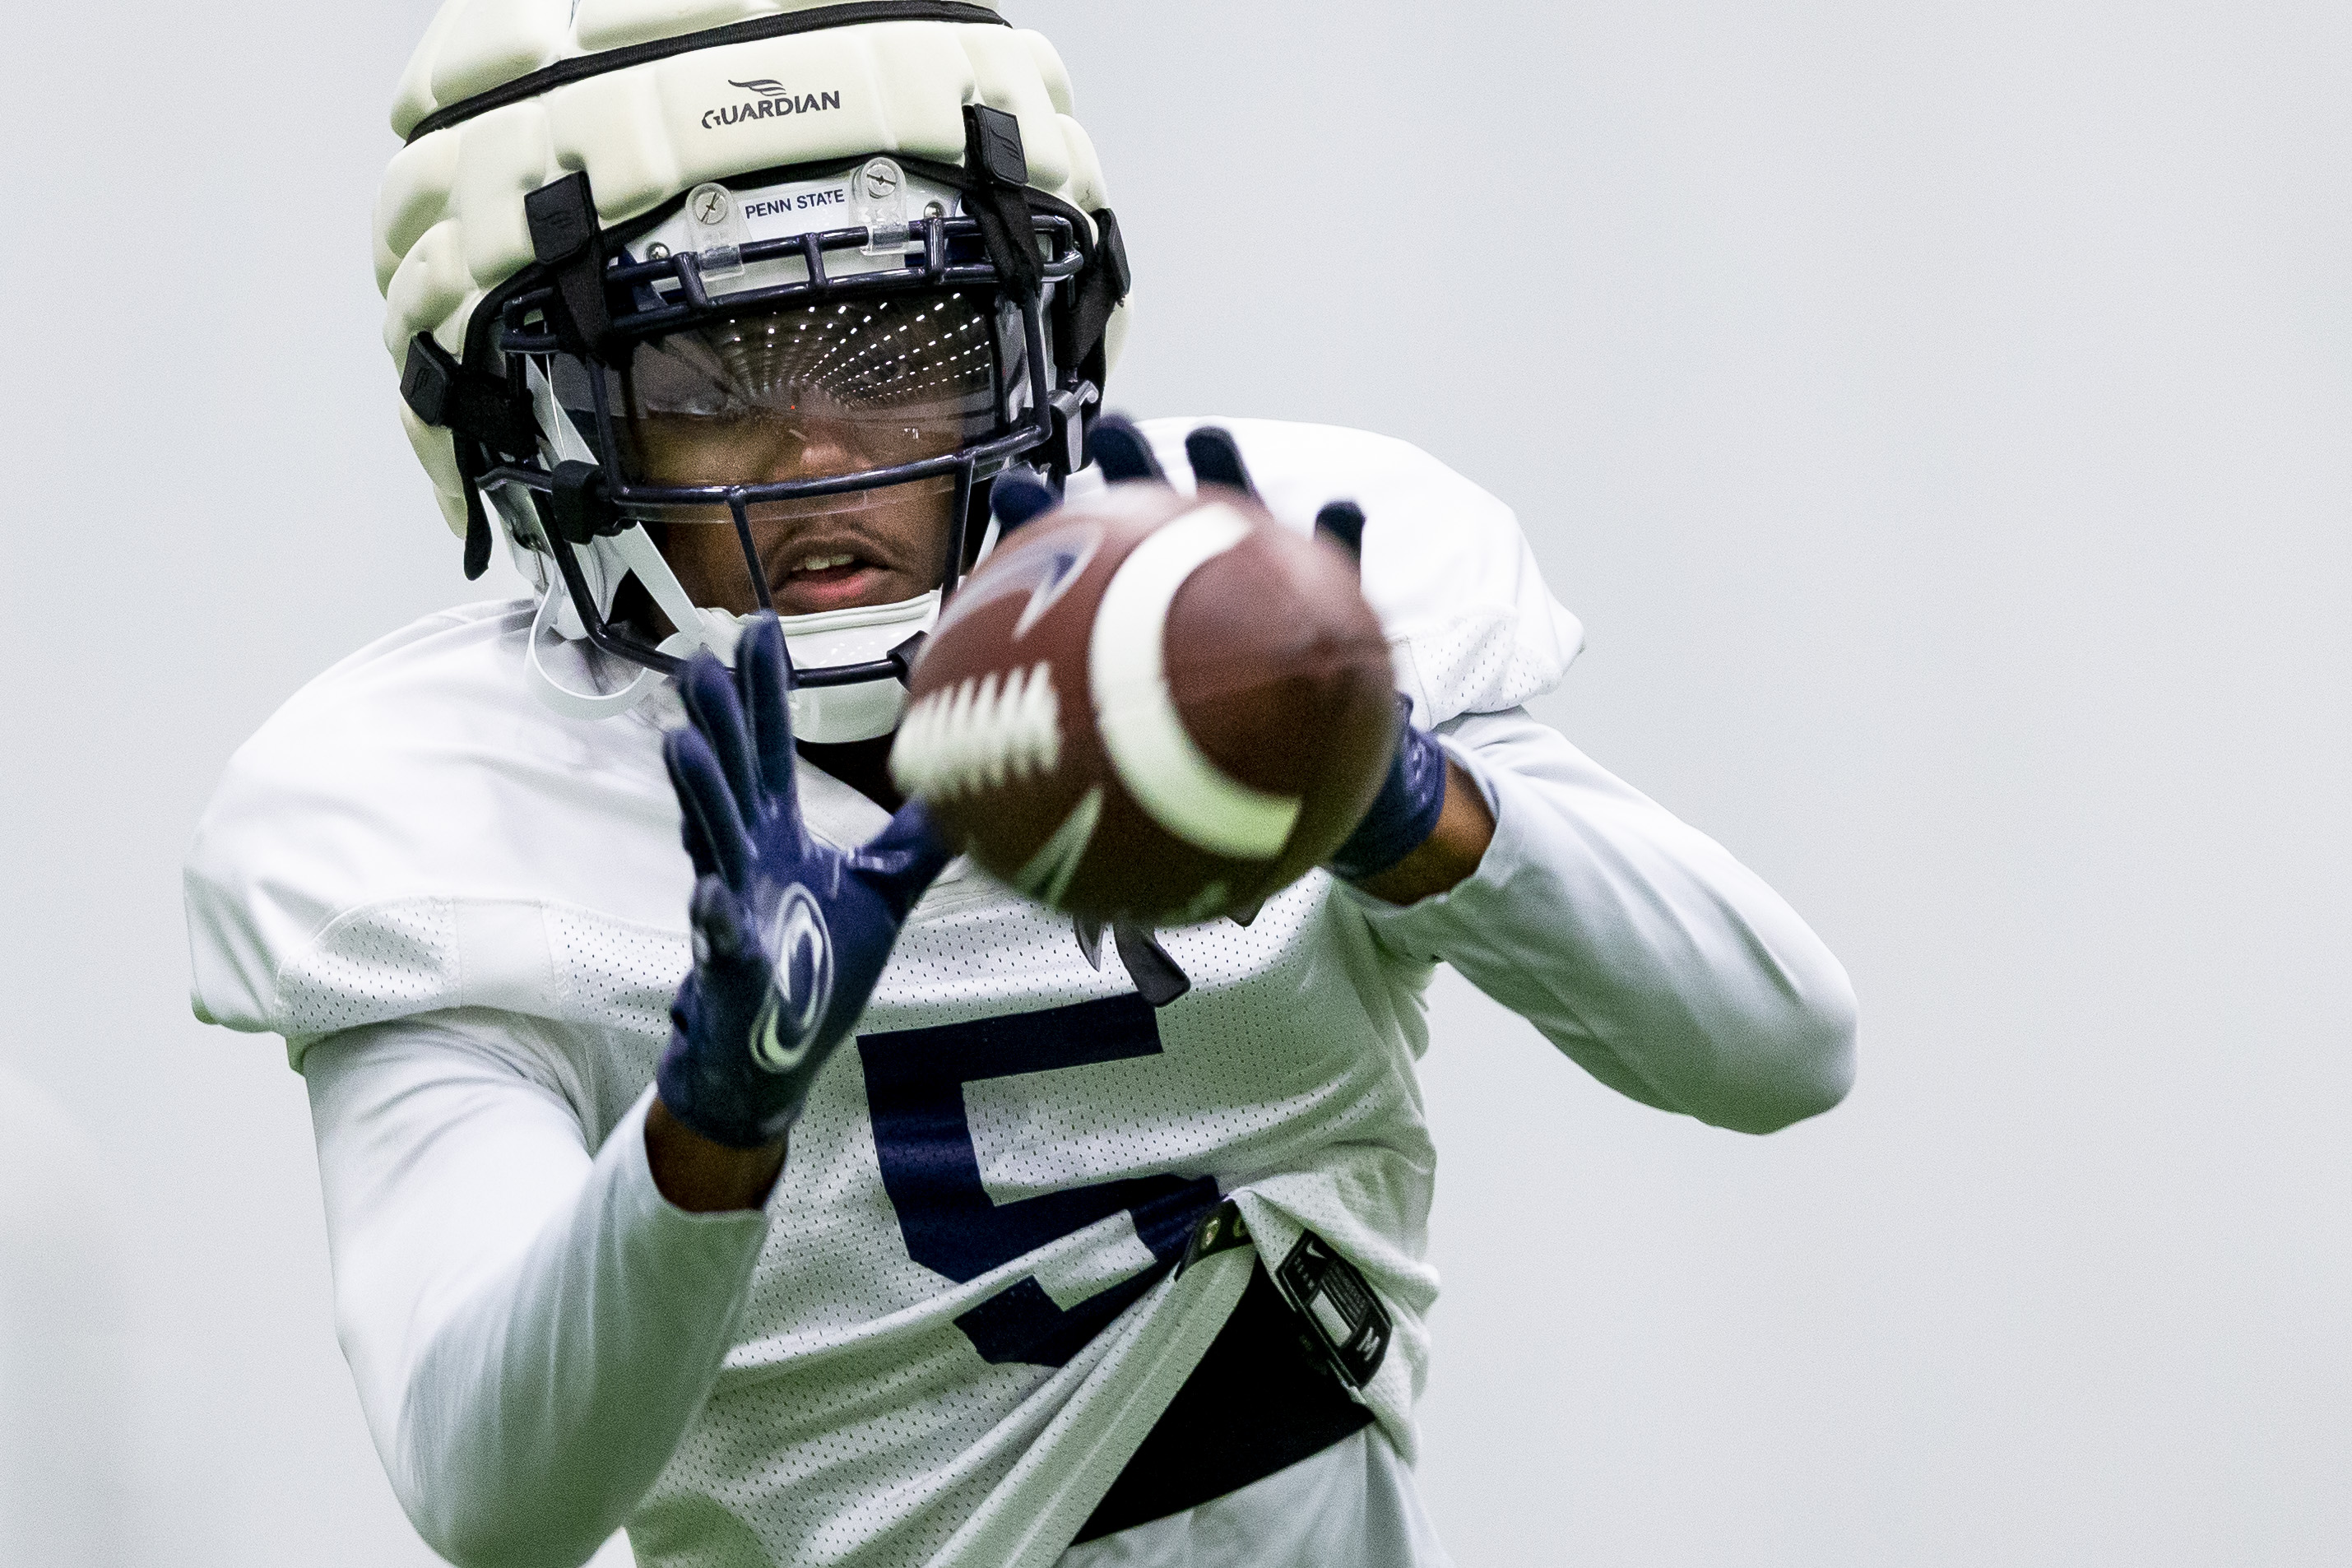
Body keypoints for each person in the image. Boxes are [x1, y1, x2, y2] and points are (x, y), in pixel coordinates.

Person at [183, 3, 1859, 1566]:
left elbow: (1780, 1044)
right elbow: (497, 1494)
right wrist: (709, 1118)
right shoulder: (439, 804)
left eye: (895, 339)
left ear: (1032, 331)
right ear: (526, 416)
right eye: (703, 384)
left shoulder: (1242, 599)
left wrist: (1395, 796)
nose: (820, 456)